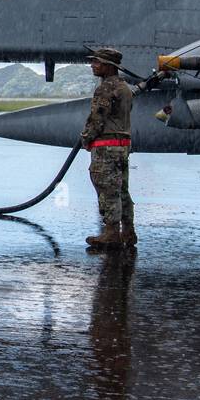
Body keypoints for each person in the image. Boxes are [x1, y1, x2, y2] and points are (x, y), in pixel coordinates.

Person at [81, 47, 135, 249]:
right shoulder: (125, 88)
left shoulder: (106, 88)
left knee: (106, 188)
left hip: (106, 147)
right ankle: (128, 232)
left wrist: (86, 138)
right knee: (122, 190)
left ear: (108, 66)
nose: (93, 65)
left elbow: (98, 118)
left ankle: (111, 233)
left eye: (97, 62)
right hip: (122, 147)